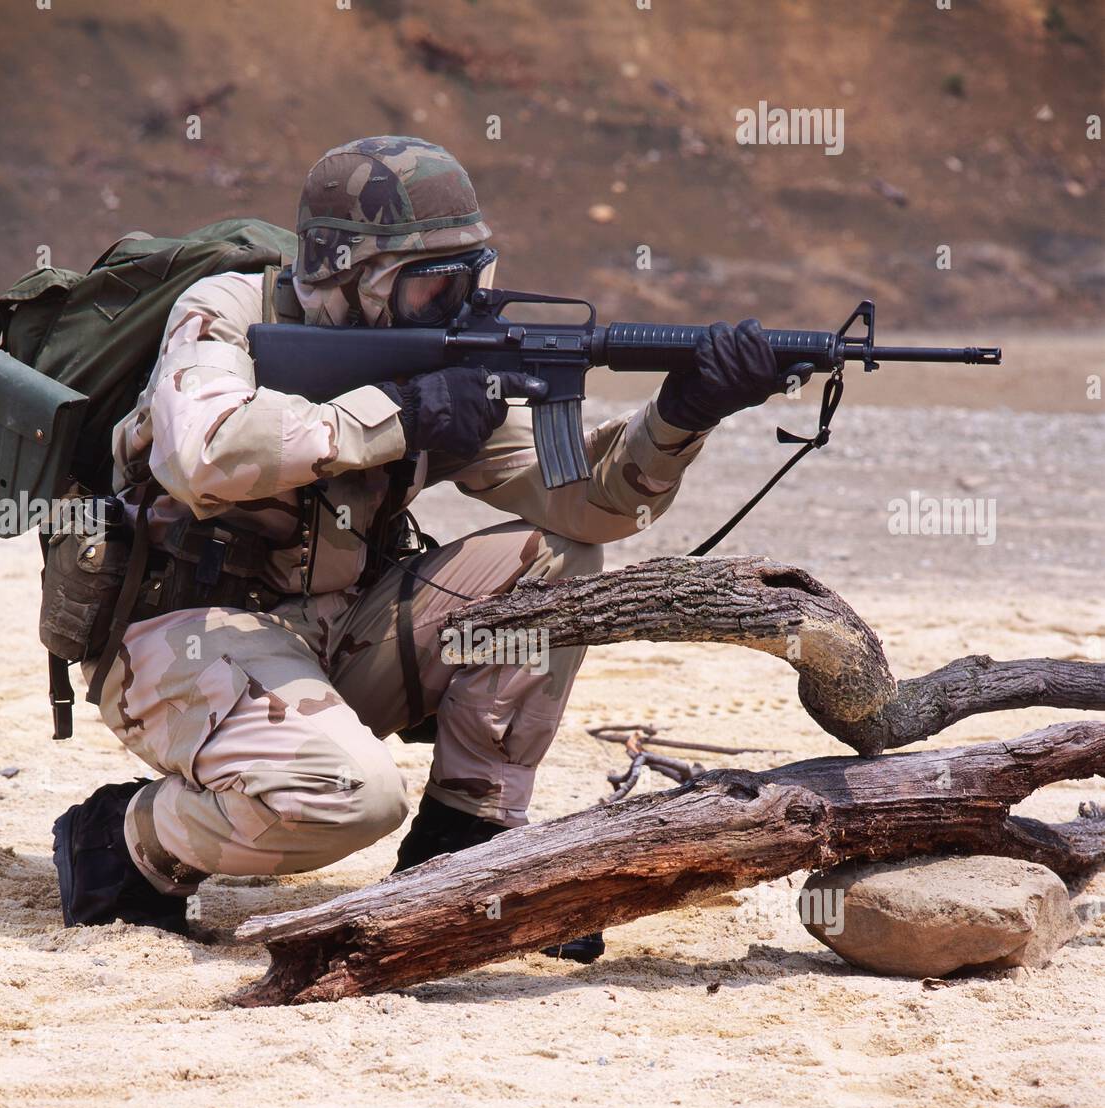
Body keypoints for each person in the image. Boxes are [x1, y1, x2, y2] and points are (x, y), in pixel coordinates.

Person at [53, 134, 800, 964]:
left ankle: (464, 841)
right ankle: (124, 841)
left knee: (559, 566)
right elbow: (202, 455)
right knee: (348, 800)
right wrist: (397, 416)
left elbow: (584, 510)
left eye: (468, 275)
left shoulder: (440, 355)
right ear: (345, 271)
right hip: (183, 641)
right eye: (430, 283)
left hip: (341, 635)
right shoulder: (229, 311)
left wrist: (680, 418)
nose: (457, 302)